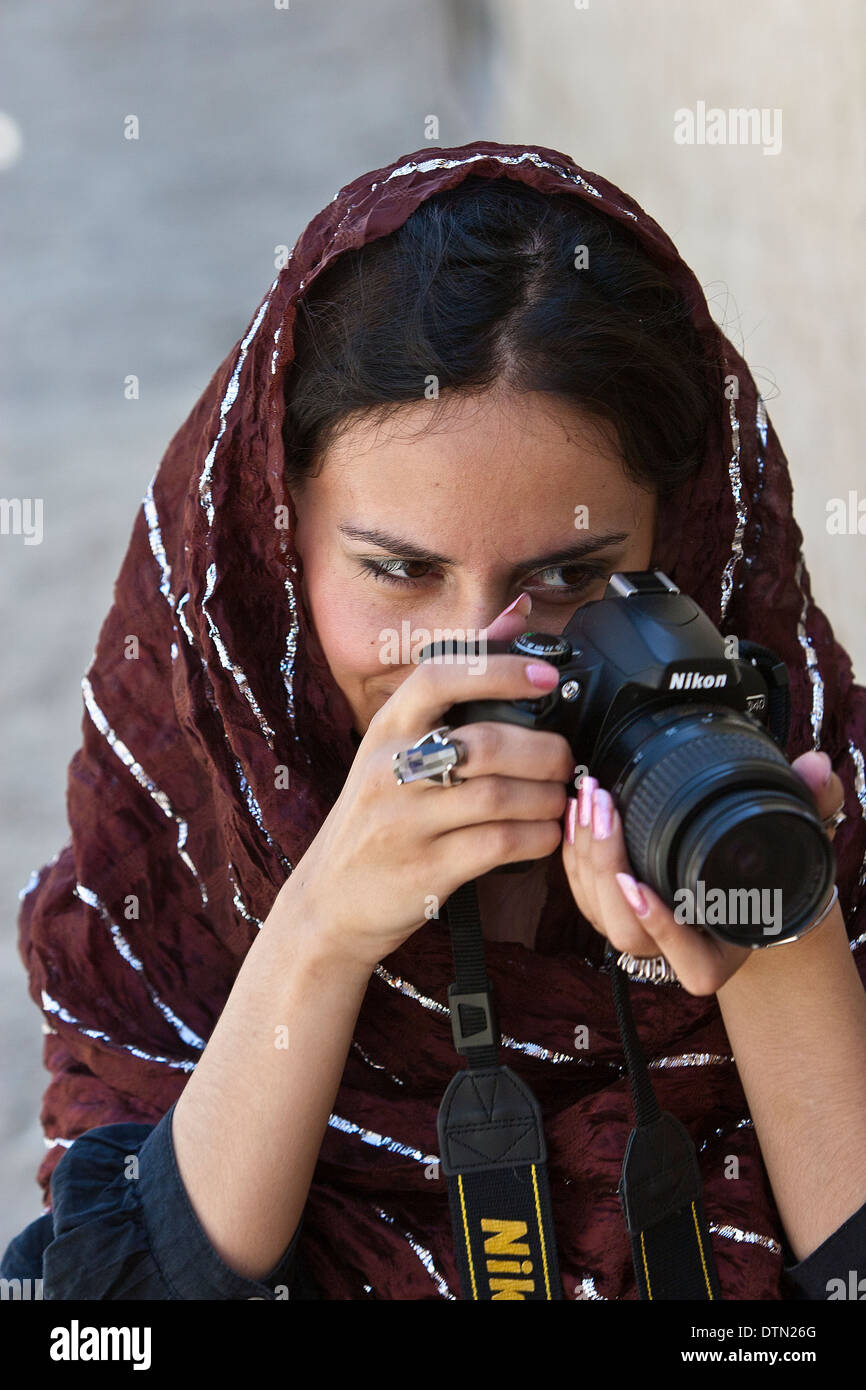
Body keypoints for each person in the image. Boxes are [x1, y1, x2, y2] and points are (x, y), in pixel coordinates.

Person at [3, 140, 866, 1302]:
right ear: (275, 545)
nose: (478, 653)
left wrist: (763, 907)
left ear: (685, 541)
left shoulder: (806, 783)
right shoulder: (200, 833)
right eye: (398, 571)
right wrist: (317, 930)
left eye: (569, 577)